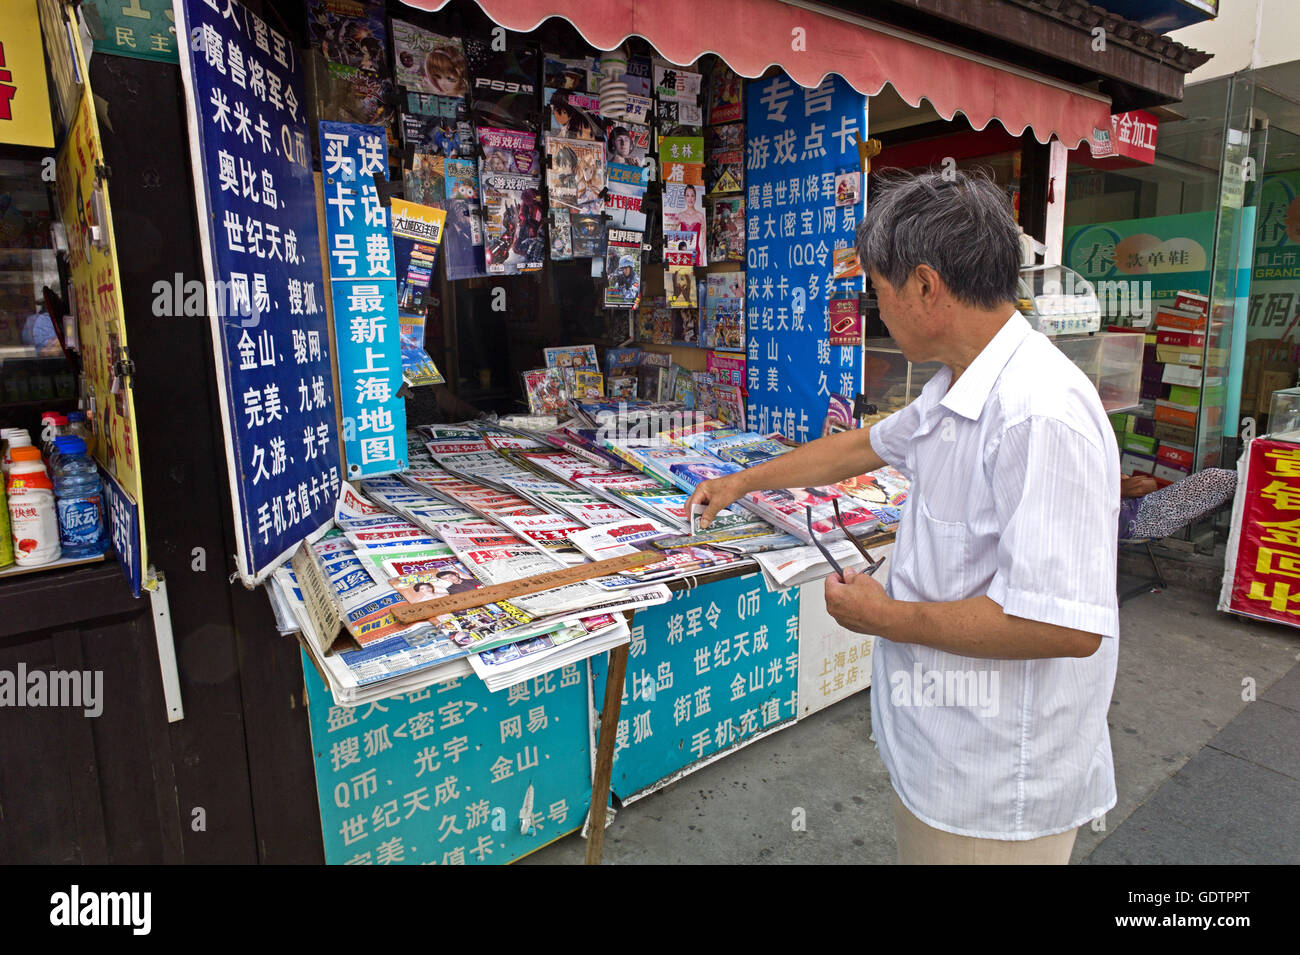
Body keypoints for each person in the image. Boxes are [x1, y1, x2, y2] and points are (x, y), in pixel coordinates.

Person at [688, 169, 1120, 865]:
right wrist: (743, 480)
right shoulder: (960, 380)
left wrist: (885, 616)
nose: (876, 311)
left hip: (996, 790)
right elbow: (864, 444)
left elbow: (1064, 625)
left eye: (880, 292)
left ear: (925, 287)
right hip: (941, 755)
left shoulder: (1039, 414)